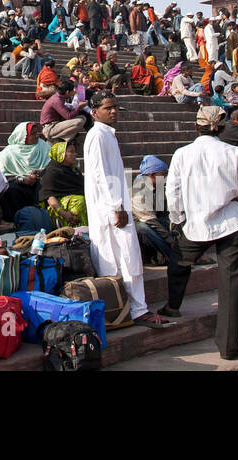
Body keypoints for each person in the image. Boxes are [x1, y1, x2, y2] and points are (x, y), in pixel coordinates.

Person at [159, 106, 238, 359]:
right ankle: (230, 347)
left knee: (178, 262)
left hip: (195, 223)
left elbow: (172, 191)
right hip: (231, 223)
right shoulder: (232, 152)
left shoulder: (182, 153)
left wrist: (177, 218)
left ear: (195, 127)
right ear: (222, 127)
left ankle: (173, 305)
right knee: (233, 286)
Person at [84, 91, 166, 327]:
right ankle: (132, 310)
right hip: (110, 208)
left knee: (124, 257)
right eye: (107, 108)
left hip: (115, 205)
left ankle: (132, 309)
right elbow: (101, 175)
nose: (113, 111)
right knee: (120, 257)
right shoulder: (97, 136)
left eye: (115, 107)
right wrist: (116, 206)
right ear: (94, 112)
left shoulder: (108, 136)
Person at [0, 122, 51, 233]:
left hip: (38, 181)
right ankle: (14, 222)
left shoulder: (42, 146)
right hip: (18, 183)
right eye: (33, 134)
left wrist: (39, 172)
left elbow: (51, 165)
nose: (37, 136)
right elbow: (1, 176)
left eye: (36, 133)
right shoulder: (9, 152)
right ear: (23, 137)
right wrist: (21, 179)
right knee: (11, 191)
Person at [131, 155, 174, 265]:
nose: (166, 177)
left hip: (154, 219)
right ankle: (174, 256)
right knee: (143, 228)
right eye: (163, 174)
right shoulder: (139, 190)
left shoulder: (157, 184)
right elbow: (150, 221)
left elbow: (164, 212)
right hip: (141, 223)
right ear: (151, 175)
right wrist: (170, 240)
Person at [38, 140, 88, 228]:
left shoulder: (73, 171)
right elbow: (50, 197)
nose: (75, 154)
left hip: (74, 204)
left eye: (75, 151)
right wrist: (64, 213)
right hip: (58, 211)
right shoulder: (51, 173)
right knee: (79, 201)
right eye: (71, 152)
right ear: (61, 154)